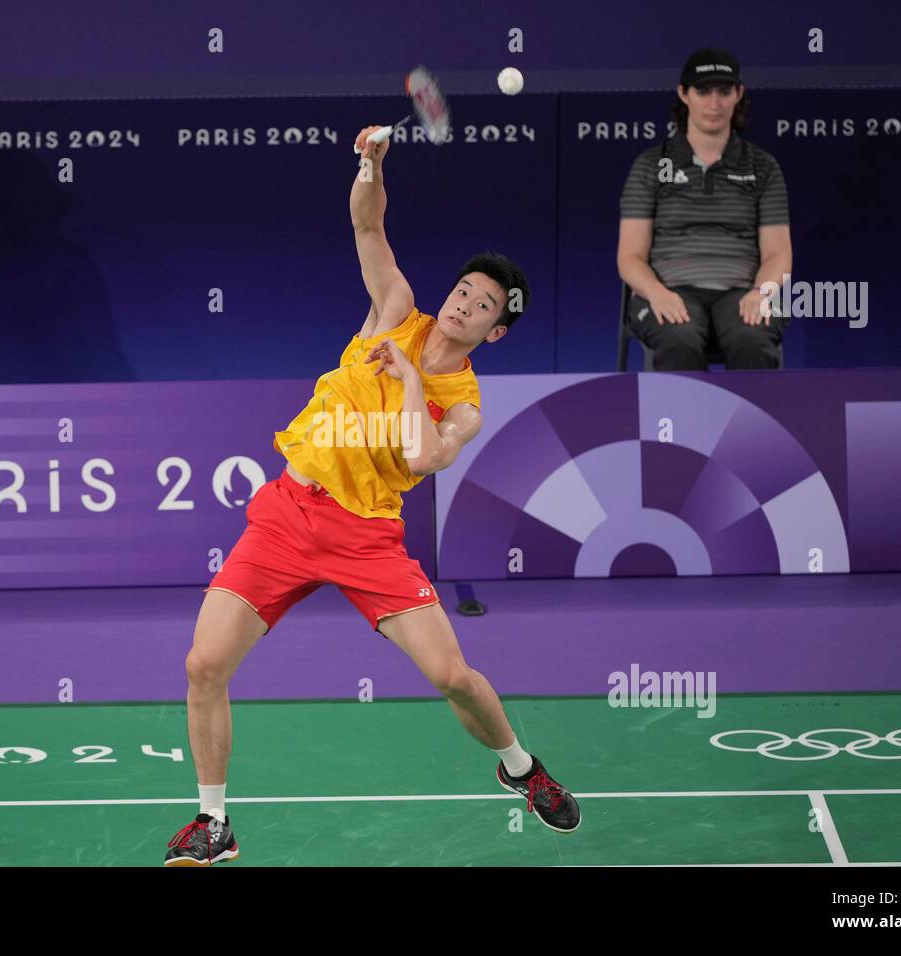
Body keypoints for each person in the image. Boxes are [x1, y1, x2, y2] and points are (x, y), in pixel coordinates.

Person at [164, 124, 580, 865]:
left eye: (483, 306)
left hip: (367, 536)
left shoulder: (465, 404)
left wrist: (410, 378)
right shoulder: (396, 306)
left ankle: (520, 766)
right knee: (203, 665)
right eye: (463, 291)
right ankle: (213, 824)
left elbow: (421, 457)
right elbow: (367, 220)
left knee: (452, 675)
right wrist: (370, 162)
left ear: (496, 332)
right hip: (289, 514)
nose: (463, 305)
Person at [617, 47, 792, 370]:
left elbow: (778, 253)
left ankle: (750, 424)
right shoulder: (651, 164)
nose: (714, 104)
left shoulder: (763, 166)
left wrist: (760, 291)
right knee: (678, 341)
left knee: (751, 340)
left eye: (724, 91)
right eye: (703, 91)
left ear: (739, 94)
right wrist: (656, 293)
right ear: (684, 94)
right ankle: (677, 424)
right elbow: (629, 256)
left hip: (742, 291)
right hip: (669, 289)